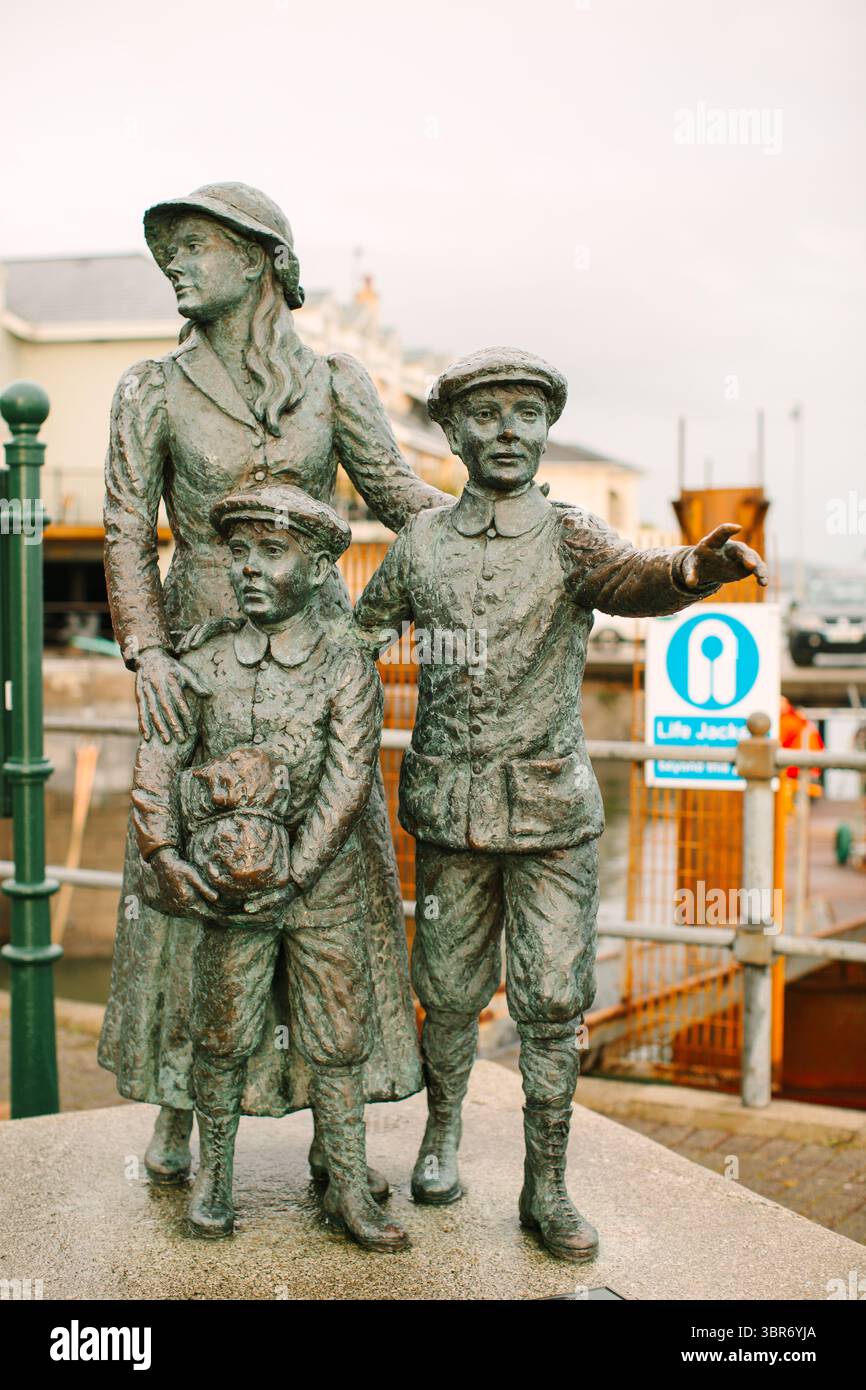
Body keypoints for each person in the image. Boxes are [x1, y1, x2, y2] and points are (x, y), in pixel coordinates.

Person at [354, 347, 769, 1261]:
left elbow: (636, 578)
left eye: (526, 415)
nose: (508, 431)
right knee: (448, 993)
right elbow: (356, 640)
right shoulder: (421, 545)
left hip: (551, 816)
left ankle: (546, 1186)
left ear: (544, 430)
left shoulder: (573, 535)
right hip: (453, 810)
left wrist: (694, 571)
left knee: (552, 1001)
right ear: (455, 432)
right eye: (488, 415)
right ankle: (441, 1135)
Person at [99, 182, 445, 1192]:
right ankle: (177, 1098)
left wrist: (508, 525)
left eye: (194, 245)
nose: (176, 264)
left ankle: (333, 1129)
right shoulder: (148, 387)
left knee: (322, 881)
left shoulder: (335, 381)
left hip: (310, 665)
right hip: (197, 674)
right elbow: (127, 531)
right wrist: (148, 656)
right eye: (169, 250)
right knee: (187, 888)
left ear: (259, 259)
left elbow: (401, 501)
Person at [131, 484, 408, 1251]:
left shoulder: (344, 665)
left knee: (337, 1036)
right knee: (221, 1032)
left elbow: (350, 779)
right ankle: (214, 1182)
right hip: (226, 892)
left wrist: (296, 872)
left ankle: (349, 1186)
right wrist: (165, 855)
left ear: (320, 568)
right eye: (240, 551)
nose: (249, 567)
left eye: (273, 551)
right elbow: (158, 760)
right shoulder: (203, 658)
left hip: (322, 890)